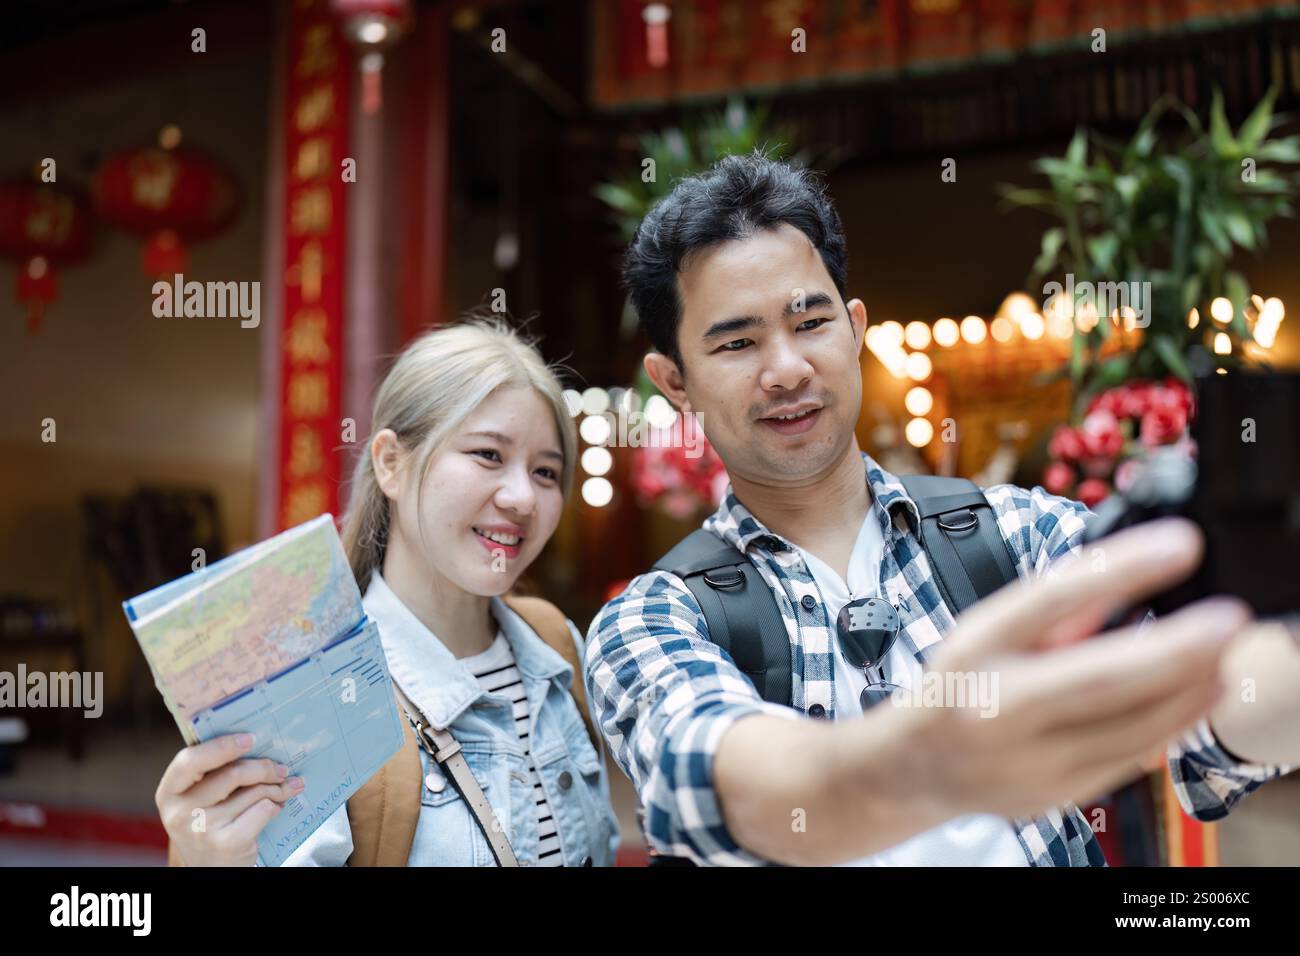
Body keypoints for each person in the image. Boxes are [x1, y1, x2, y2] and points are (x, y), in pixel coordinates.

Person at [585, 152, 1298, 866]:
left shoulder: (1024, 537)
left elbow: (1215, 706)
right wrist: (926, 762)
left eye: (810, 323)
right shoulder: (650, 621)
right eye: (738, 342)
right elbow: (729, 783)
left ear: (855, 326)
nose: (789, 369)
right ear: (674, 382)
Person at [157, 316, 620, 866]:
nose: (522, 497)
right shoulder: (314, 693)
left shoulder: (556, 642)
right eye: (488, 455)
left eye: (546, 472)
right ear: (391, 463)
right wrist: (213, 858)